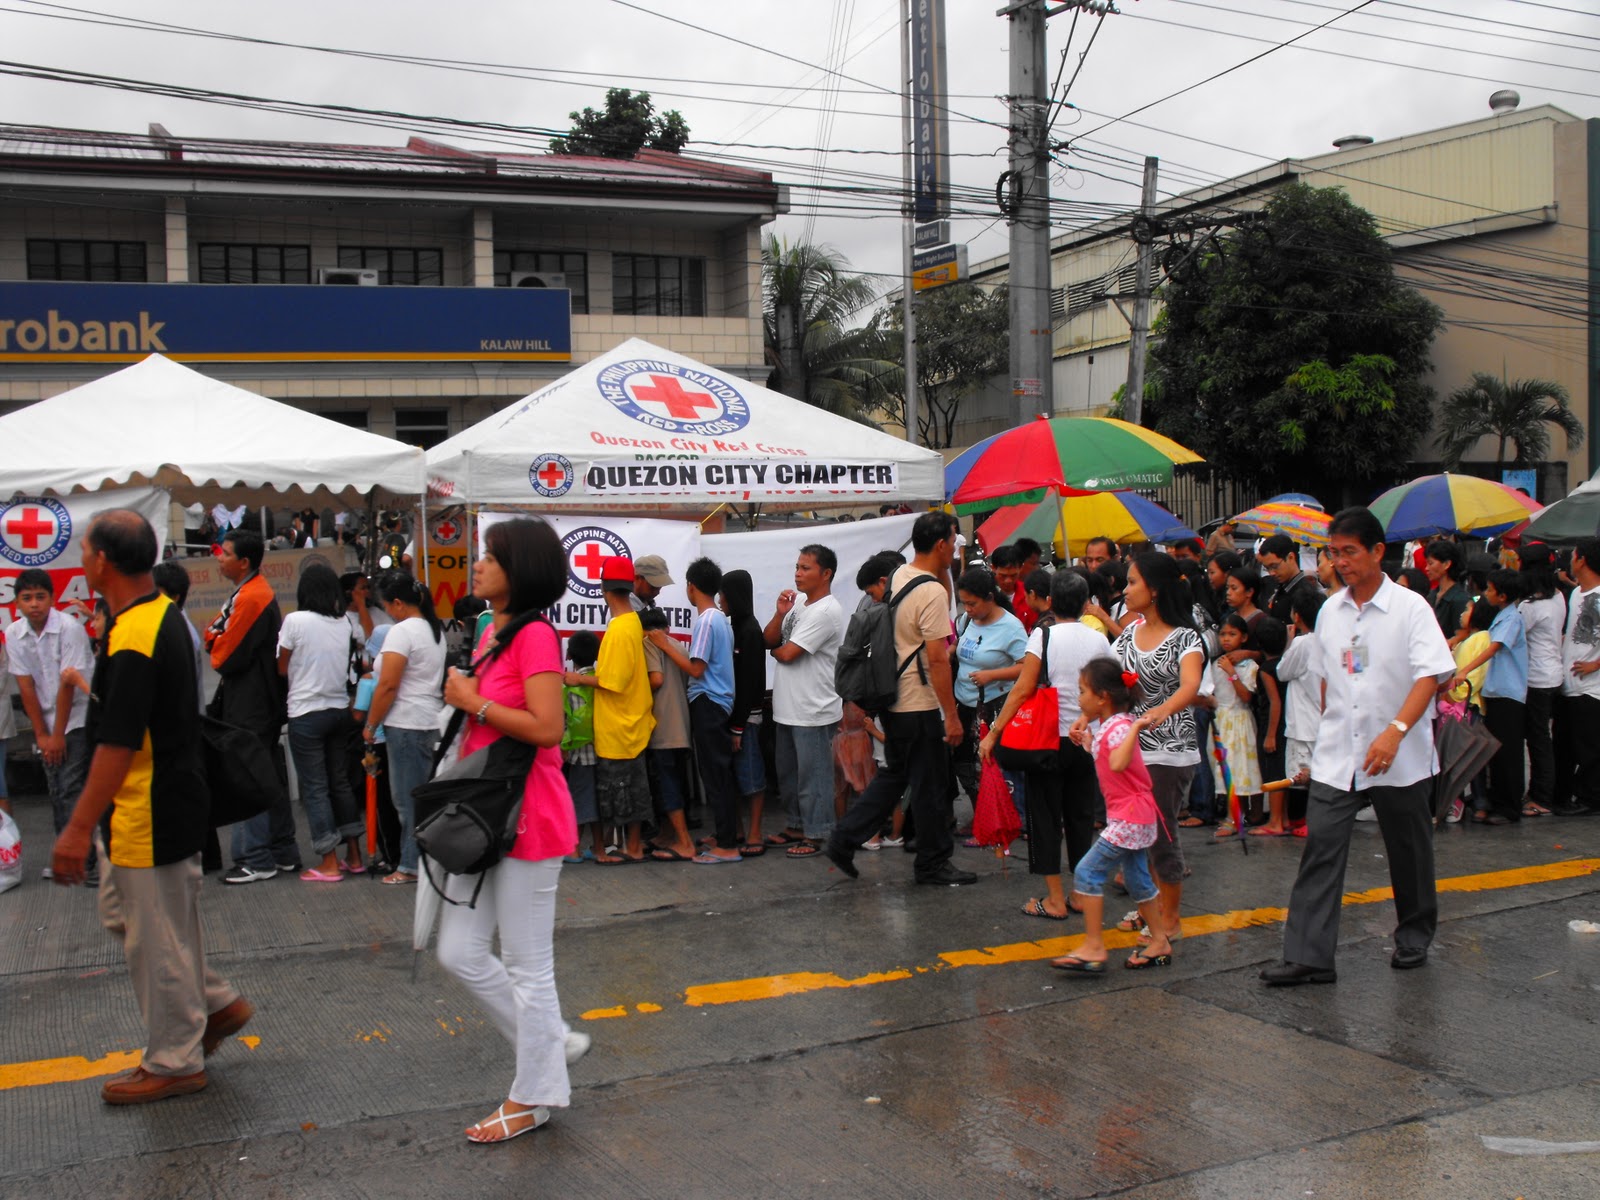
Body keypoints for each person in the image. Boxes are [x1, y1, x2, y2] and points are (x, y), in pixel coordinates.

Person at [50, 509, 252, 1103]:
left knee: (154, 935)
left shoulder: (139, 631)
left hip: (150, 806)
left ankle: (174, 1059)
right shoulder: (150, 615)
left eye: (85, 550)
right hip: (152, 802)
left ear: (101, 562)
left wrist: (74, 827)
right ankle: (212, 1003)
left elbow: (117, 741)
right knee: (132, 918)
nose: (84, 560)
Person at [433, 517, 588, 1145]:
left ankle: (533, 1095)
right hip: (488, 812)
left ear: (517, 569)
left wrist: (473, 703)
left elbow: (548, 727)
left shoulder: (535, 636)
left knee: (528, 966)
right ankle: (549, 1048)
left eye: (490, 557)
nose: (477, 564)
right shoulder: (491, 631)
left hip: (529, 815)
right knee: (458, 951)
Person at [1261, 507, 1455, 986]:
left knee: (1408, 850)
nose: (1341, 562)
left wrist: (1395, 731)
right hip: (1338, 756)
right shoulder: (1331, 610)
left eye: (1349, 552)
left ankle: (1413, 935)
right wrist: (1326, 735)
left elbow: (1431, 674)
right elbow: (1328, 679)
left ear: (1377, 552)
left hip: (1400, 756)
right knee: (1322, 846)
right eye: (1334, 553)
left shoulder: (1410, 608)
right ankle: (1310, 955)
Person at [825, 512, 973, 886]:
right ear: (940, 544)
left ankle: (844, 838)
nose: (955, 547)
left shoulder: (900, 576)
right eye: (953, 541)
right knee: (929, 786)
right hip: (919, 703)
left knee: (897, 777)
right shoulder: (930, 591)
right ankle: (932, 862)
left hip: (893, 698)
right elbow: (938, 658)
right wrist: (951, 717)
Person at [979, 571, 1112, 920]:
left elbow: (1023, 688)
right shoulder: (1098, 640)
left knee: (1045, 817)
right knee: (1081, 818)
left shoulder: (1044, 635)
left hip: (1047, 741)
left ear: (1051, 601)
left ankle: (1054, 899)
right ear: (1086, 604)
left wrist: (995, 731)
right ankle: (1081, 893)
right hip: (1085, 739)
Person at [1105, 553, 1204, 948]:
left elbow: (1190, 685)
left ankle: (1171, 917)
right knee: (1140, 834)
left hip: (1169, 751)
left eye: (1132, 582)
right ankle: (1152, 906)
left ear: (1155, 589)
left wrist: (1161, 711)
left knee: (1162, 835)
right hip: (1133, 751)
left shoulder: (1185, 637)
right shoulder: (1127, 635)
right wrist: (1087, 718)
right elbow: (1109, 682)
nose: (1125, 590)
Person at [1048, 660, 1172, 973]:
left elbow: (1117, 763)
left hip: (1129, 817)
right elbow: (1114, 761)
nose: (1079, 699)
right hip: (1135, 815)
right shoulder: (1114, 726)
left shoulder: (1120, 728)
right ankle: (1158, 940)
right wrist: (1091, 743)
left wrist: (1135, 729)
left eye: (1082, 692)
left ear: (1102, 697)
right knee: (1137, 878)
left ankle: (1093, 946)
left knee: (1087, 872)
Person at [205, 530, 296, 884]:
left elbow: (221, 653)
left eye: (225, 553)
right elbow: (215, 636)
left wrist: (215, 639)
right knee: (266, 774)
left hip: (252, 705)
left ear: (243, 561)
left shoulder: (252, 597)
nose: (219, 558)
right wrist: (216, 638)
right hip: (259, 702)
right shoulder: (250, 593)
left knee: (248, 777)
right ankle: (282, 850)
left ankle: (256, 858)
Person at [646, 557, 741, 864]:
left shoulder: (706, 621)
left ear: (691, 586)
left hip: (708, 702)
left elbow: (696, 670)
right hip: (719, 703)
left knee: (715, 775)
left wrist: (663, 643)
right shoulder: (720, 620)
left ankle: (727, 845)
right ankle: (725, 836)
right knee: (718, 774)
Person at [6, 567, 96, 883]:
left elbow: (68, 684)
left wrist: (57, 735)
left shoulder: (69, 628)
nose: (34, 604)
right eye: (27, 598)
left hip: (77, 718)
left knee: (71, 787)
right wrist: (42, 735)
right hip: (47, 721)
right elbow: (26, 686)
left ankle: (83, 861)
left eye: (40, 597)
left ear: (52, 599)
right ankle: (67, 855)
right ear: (16, 602)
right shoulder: (15, 634)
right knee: (56, 788)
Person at [277, 564, 365, 880]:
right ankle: (354, 856)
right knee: (340, 782)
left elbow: (283, 668)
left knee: (316, 788)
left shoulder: (295, 621)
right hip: (339, 710)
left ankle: (328, 861)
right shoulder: (343, 622)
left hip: (306, 712)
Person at [567, 559, 655, 864]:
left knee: (621, 792)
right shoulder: (632, 621)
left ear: (604, 589)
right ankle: (632, 845)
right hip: (631, 720)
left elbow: (612, 682)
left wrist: (577, 678)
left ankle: (632, 847)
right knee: (633, 789)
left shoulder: (619, 629)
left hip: (618, 727)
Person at [362, 571, 446, 884]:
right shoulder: (430, 628)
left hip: (406, 723)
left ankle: (411, 865)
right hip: (425, 720)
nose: (387, 613)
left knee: (408, 799)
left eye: (387, 607)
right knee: (416, 796)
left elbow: (388, 685)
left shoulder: (403, 631)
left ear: (398, 603)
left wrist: (371, 724)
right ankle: (418, 861)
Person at [762, 546, 846, 859]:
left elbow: (786, 653)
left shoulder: (826, 610)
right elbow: (769, 640)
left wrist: (777, 649)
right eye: (797, 567)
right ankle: (798, 826)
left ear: (826, 574)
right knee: (789, 775)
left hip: (813, 709)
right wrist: (780, 614)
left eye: (806, 568)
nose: (798, 573)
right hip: (788, 707)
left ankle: (818, 833)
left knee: (814, 777)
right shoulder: (798, 603)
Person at [1445, 569, 1528, 826]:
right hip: (1497, 691)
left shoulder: (1512, 618)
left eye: (1490, 590)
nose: (1486, 594)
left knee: (1509, 753)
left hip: (1508, 693)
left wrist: (1465, 671)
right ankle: (1498, 801)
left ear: (1502, 595)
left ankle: (1510, 806)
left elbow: (1493, 649)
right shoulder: (1502, 616)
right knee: (1498, 752)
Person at [951, 567, 1028, 813]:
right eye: (964, 603)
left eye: (972, 603)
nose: (969, 609)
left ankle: (999, 818)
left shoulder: (1011, 627)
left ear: (989, 598)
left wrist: (992, 675)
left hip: (993, 705)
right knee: (964, 763)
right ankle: (980, 815)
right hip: (964, 703)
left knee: (989, 764)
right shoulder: (966, 620)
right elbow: (959, 643)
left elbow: (1027, 667)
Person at [719, 570, 769, 855]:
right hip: (733, 715)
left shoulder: (750, 630)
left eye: (723, 593)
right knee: (733, 777)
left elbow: (750, 682)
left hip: (746, 718)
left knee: (752, 775)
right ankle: (738, 830)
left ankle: (755, 833)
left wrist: (738, 726)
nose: (719, 599)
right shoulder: (733, 626)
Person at [1516, 544, 1566, 818]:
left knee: (1537, 739)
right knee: (1541, 737)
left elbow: (1513, 635)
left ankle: (1541, 797)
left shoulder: (1530, 607)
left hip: (1536, 678)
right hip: (1553, 673)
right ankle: (1542, 792)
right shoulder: (1558, 595)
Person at [1553, 537, 1600, 816]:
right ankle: (1569, 794)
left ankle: (1591, 799)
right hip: (1569, 685)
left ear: (1581, 559)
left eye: (1572, 555)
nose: (1569, 560)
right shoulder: (1576, 593)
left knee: (1591, 748)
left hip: (1592, 689)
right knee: (1567, 744)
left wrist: (1595, 665)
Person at [1275, 590, 1327, 837]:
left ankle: (1302, 820)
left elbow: (1282, 671)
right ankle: (1311, 819)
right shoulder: (1330, 640)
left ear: (1297, 616)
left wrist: (1289, 641)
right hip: (1323, 718)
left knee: (1299, 772)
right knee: (1320, 771)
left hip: (1303, 720)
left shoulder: (1302, 643)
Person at [1209, 615, 1261, 837]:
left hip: (1240, 721)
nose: (1226, 639)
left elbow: (1246, 697)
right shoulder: (1215, 664)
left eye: (1232, 634)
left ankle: (1253, 813)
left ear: (1244, 637)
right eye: (1223, 634)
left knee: (1245, 769)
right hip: (1222, 721)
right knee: (1227, 769)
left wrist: (1232, 673)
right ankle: (1233, 817)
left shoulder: (1250, 666)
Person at [560, 631, 602, 863]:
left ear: (569, 654)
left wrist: (564, 748)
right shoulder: (600, 680)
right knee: (596, 800)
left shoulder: (569, 685)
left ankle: (574, 848)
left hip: (579, 754)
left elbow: (568, 724)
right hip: (603, 750)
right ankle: (598, 847)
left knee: (576, 800)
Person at [1258, 535, 1322, 628]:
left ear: (1291, 557)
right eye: (1267, 568)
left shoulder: (1305, 594)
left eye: (1274, 566)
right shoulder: (1279, 586)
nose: (1271, 573)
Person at [1424, 540, 1471, 646]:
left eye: (1431, 563)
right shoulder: (1431, 595)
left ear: (1446, 564)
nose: (1426, 568)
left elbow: (1461, 636)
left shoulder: (1460, 599)